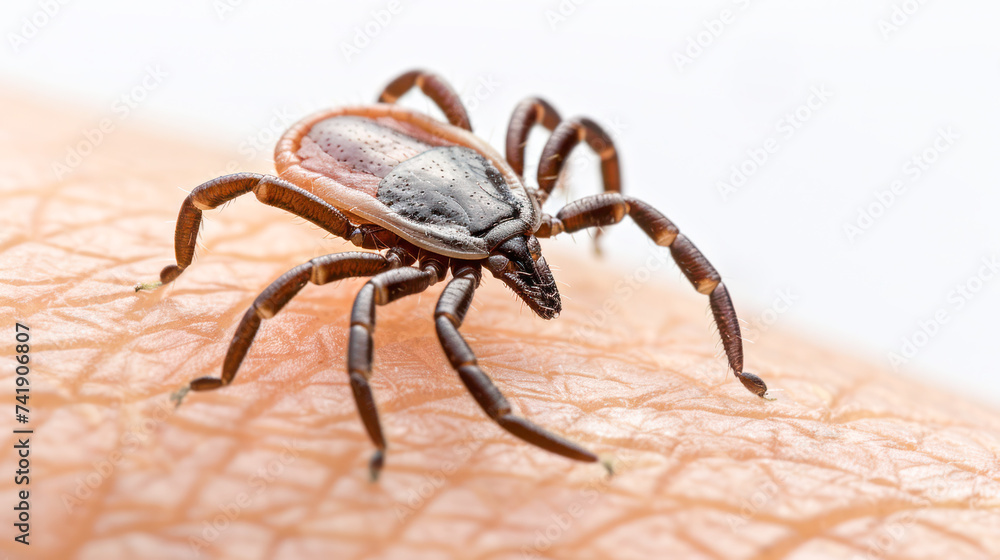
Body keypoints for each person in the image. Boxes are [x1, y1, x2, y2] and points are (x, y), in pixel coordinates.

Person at [5, 90, 998, 560]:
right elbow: (332, 286)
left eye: (523, 239)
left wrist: (520, 226)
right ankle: (372, 443)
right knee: (334, 290)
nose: (525, 264)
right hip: (360, 172)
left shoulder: (516, 208)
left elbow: (571, 145)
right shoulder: (418, 269)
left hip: (450, 177)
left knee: (564, 154)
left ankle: (726, 376)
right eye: (505, 252)